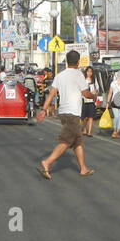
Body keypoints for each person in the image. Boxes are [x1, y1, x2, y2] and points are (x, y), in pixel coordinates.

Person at [37, 50, 96, 179]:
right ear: (78, 62)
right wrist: (94, 96)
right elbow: (86, 94)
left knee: (77, 141)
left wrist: (43, 109)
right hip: (72, 112)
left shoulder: (60, 75)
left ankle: (83, 168)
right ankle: (47, 162)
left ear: (67, 61)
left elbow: (51, 93)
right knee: (66, 141)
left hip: (63, 112)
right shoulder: (79, 75)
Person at [80, 66, 99, 136]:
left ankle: (89, 132)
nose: (89, 73)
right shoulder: (83, 80)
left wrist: (95, 91)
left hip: (91, 100)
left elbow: (97, 87)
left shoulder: (94, 79)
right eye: (88, 71)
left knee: (91, 116)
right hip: (84, 100)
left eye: (91, 72)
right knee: (85, 117)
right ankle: (84, 129)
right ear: (86, 72)